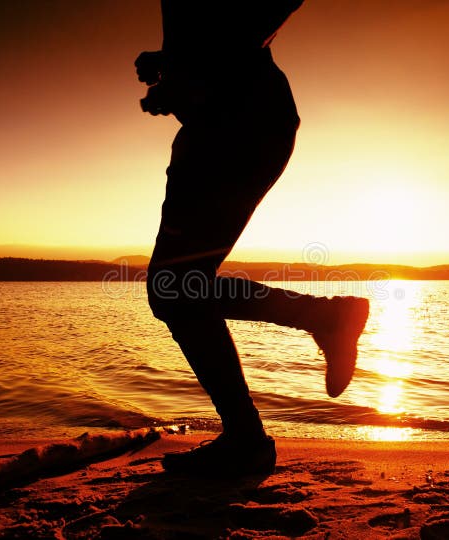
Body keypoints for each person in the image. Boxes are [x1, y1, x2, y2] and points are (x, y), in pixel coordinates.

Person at [136, 0, 369, 478]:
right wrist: (173, 69)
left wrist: (191, 75)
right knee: (178, 287)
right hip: (232, 123)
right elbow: (215, 35)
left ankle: (249, 434)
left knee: (173, 287)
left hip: (237, 124)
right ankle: (323, 320)